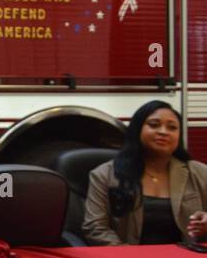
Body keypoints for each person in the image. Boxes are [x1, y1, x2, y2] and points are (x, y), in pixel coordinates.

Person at [83, 99, 207, 246]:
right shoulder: (104, 174)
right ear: (137, 130)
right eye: (154, 125)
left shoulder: (200, 172)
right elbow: (95, 228)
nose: (163, 132)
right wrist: (129, 255)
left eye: (172, 128)